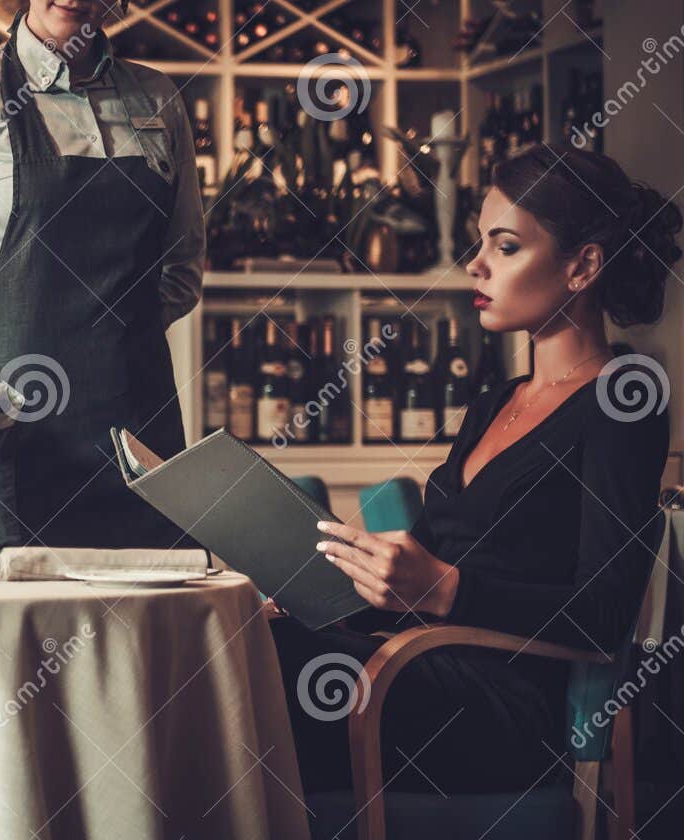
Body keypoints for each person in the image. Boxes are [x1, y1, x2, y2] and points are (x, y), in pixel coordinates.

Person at [272, 143, 678, 796]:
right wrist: (326, 593)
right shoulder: (496, 400)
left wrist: (445, 589)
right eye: (478, 244)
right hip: (420, 669)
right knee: (252, 639)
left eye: (506, 246)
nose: (476, 265)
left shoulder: (623, 402)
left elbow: (602, 616)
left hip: (505, 712)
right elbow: (427, 558)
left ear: (583, 266)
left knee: (270, 669)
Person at [0, 0, 204, 553]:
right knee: (9, 629)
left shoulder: (158, 98)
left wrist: (104, 336)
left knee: (151, 629)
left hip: (140, 438)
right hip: (10, 436)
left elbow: (181, 269)